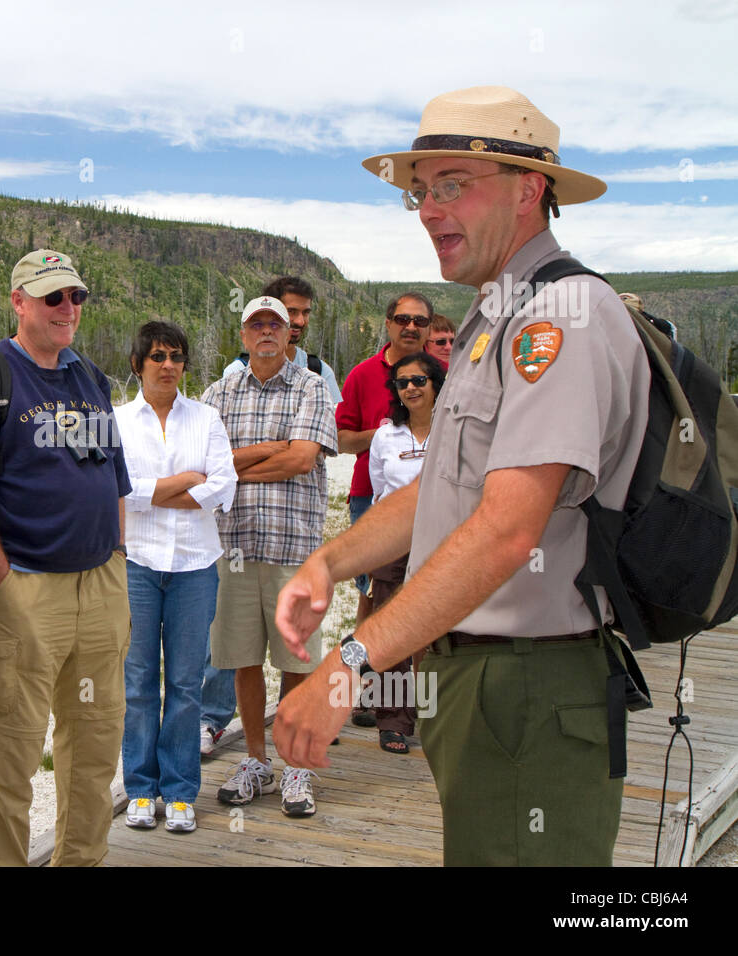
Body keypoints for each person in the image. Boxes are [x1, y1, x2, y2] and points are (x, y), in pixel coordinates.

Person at [274, 85, 650, 866]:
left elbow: (508, 530)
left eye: (453, 186)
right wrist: (330, 561)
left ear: (528, 190)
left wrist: (349, 665)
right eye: (421, 191)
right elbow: (446, 487)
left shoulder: (559, 318)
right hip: (482, 683)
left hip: (531, 690)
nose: (428, 209)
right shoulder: (494, 317)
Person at [0, 248, 131, 866]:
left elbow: (115, 480)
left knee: (95, 745)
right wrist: (2, 584)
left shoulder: (89, 377)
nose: (67, 309)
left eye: (75, 296)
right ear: (18, 301)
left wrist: (119, 556)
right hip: (25, 584)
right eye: (53, 298)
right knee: (7, 751)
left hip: (101, 585)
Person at [201, 295, 336, 818]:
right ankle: (257, 760)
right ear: (243, 335)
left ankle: (297, 765)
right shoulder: (219, 391)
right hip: (232, 545)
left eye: (274, 324)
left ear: (288, 335)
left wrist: (236, 466)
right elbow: (207, 462)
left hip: (292, 547)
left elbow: (303, 458)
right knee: (243, 659)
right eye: (255, 323)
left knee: (296, 662)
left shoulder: (311, 386)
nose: (265, 332)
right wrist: (265, 451)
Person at [116, 320, 237, 833]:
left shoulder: (206, 417)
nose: (169, 365)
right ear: (139, 362)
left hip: (195, 566)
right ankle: (141, 789)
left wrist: (154, 491)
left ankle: (182, 790)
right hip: (138, 564)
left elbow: (223, 484)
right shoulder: (118, 421)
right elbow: (117, 489)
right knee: (139, 681)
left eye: (177, 356)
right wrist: (182, 482)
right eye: (159, 356)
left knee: (187, 683)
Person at [335, 290, 433, 728]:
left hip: (431, 513)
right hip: (370, 498)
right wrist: (384, 434)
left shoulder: (443, 375)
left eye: (419, 320)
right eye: (402, 318)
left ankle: (418, 702)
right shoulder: (361, 375)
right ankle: (365, 687)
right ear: (388, 323)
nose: (410, 326)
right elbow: (340, 439)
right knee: (371, 597)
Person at [363, 351, 444, 755]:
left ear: (436, 385)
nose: (410, 387)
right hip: (395, 542)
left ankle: (436, 718)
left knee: (438, 632)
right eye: (402, 382)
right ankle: (393, 721)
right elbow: (380, 488)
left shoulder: (453, 430)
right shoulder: (385, 436)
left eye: (419, 380)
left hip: (442, 539)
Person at [221, 277, 343, 405]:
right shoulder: (236, 373)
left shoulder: (320, 371)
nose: (300, 321)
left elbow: (335, 422)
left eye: (305, 313)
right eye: (291, 312)